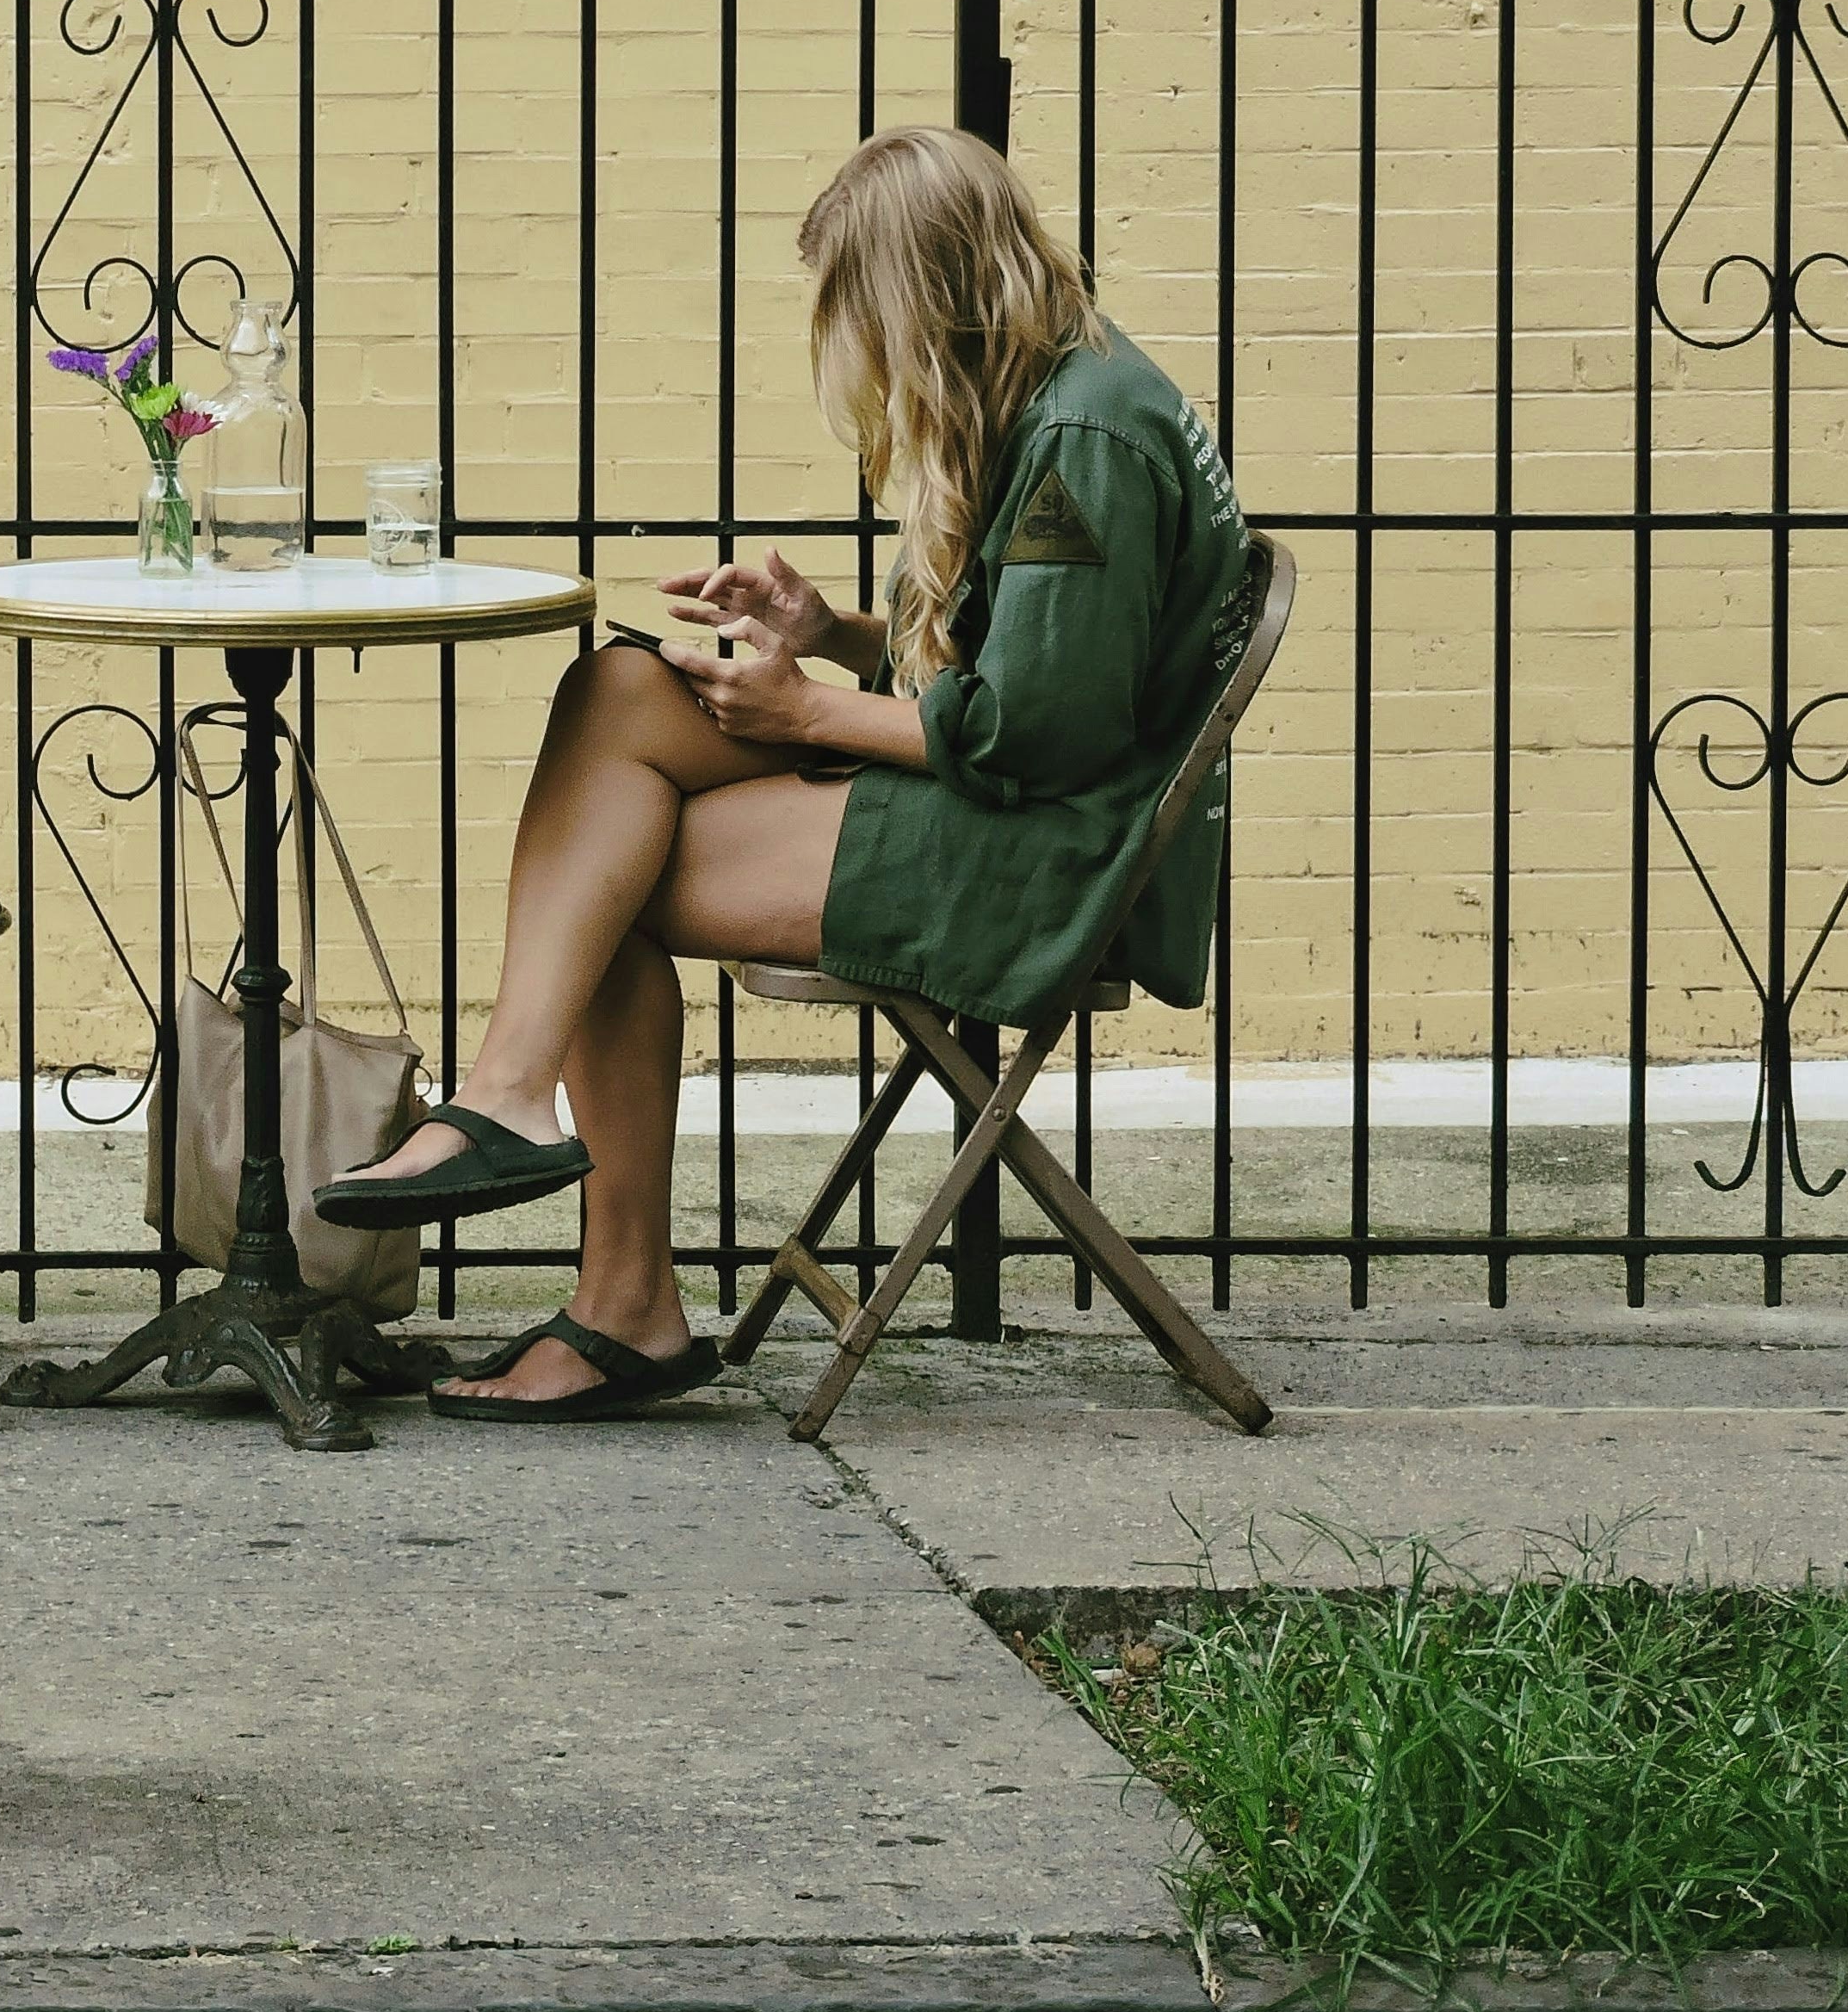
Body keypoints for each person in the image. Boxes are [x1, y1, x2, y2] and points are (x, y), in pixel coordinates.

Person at [314, 123, 1255, 1420]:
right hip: (1017, 789)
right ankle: (511, 1103)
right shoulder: (1065, 390)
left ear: (919, 298)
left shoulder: (1081, 444)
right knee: (622, 689)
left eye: (849, 307)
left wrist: (806, 711)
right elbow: (1030, 667)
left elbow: (1041, 735)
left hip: (1056, 847)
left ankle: (617, 1298)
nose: (846, 342)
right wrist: (827, 637)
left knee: (604, 885)